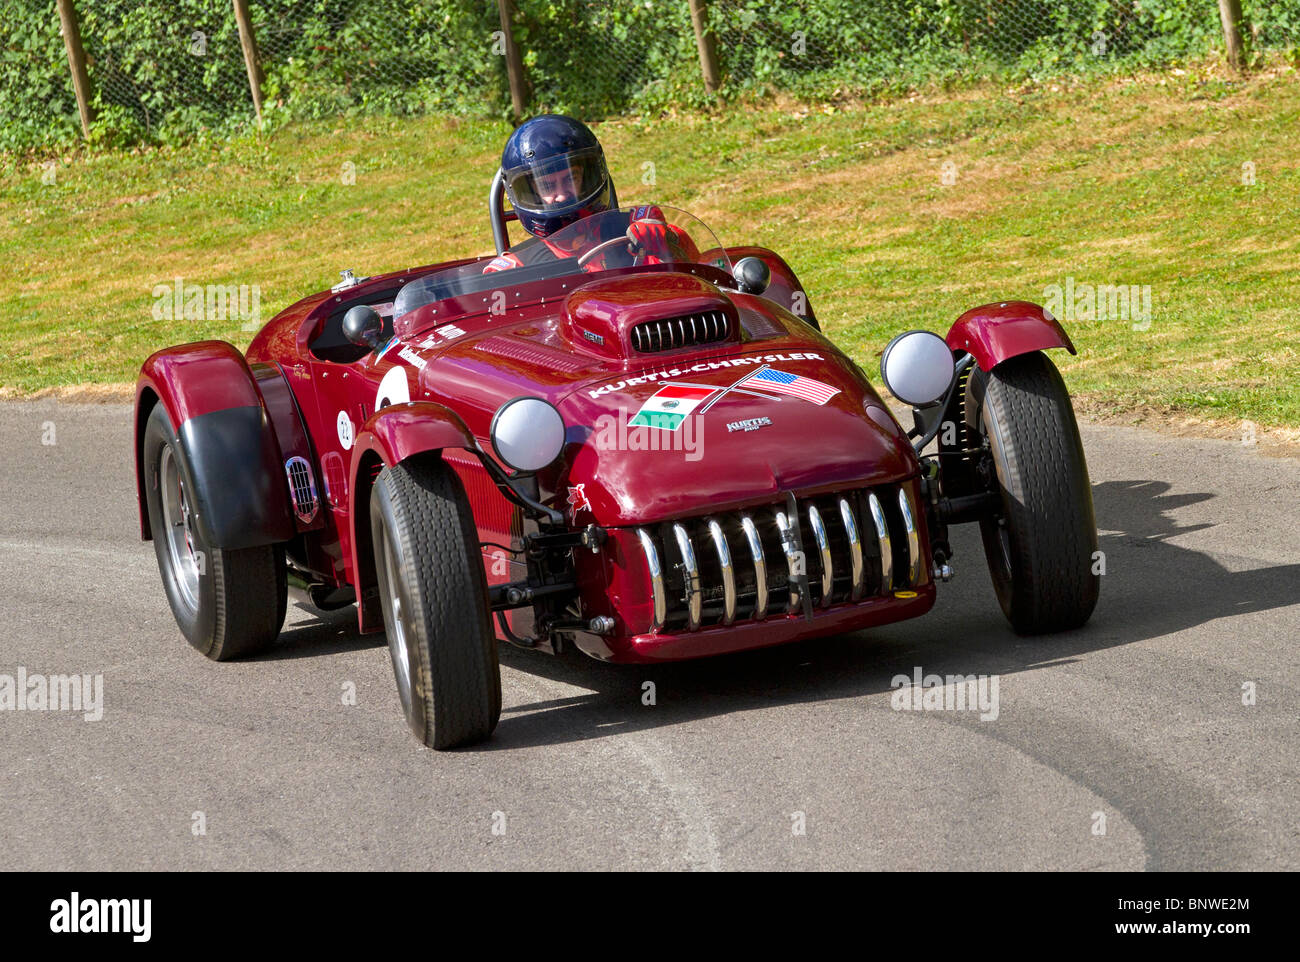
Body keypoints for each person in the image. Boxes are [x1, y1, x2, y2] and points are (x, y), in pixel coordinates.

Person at [483, 114, 698, 273]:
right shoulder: (515, 269)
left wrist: (669, 247)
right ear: (531, 194)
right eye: (548, 186)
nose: (561, 195)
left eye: (570, 179)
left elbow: (700, 281)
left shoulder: (638, 232)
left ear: (588, 177)